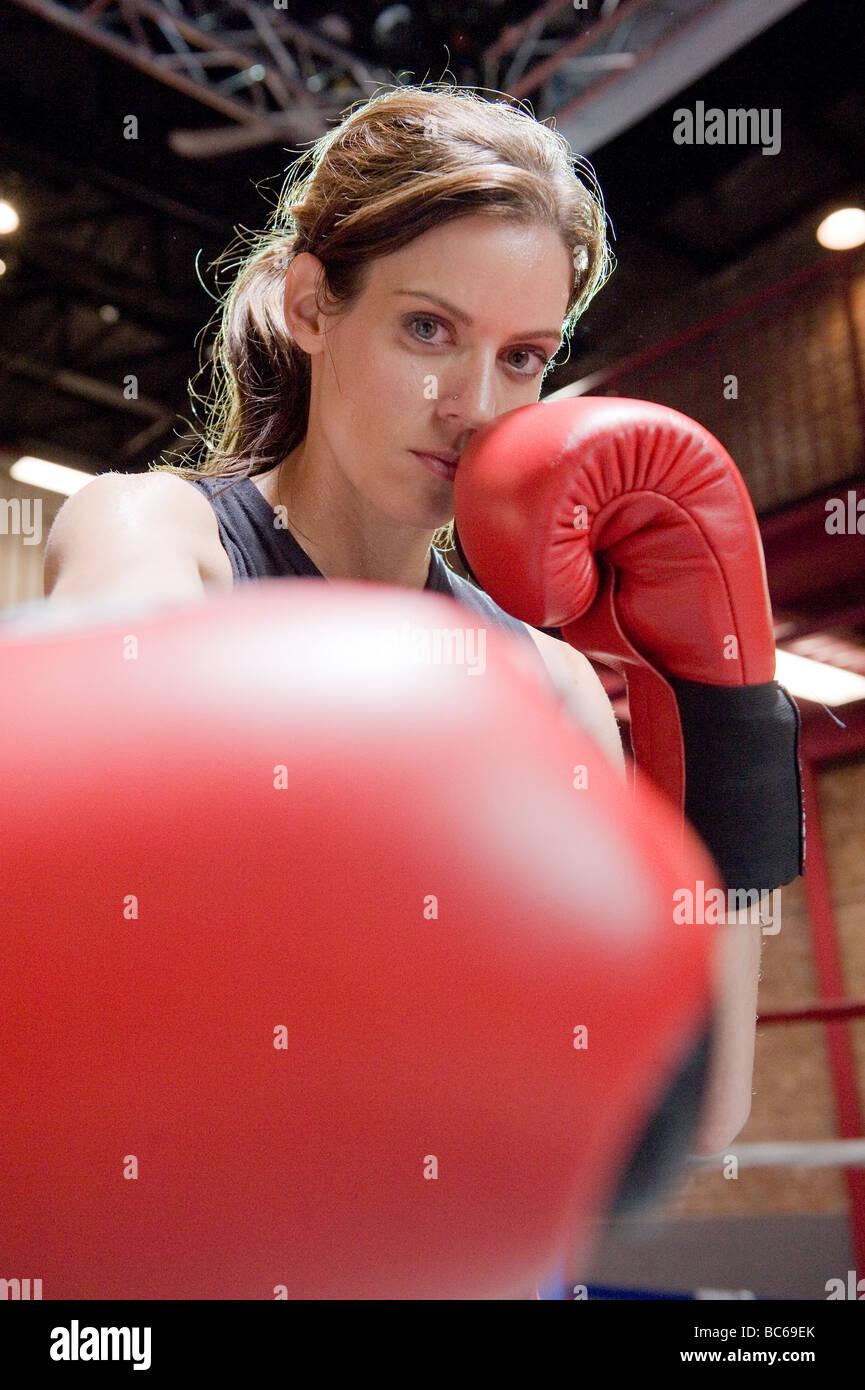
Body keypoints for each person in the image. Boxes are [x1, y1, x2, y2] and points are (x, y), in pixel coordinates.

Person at [43, 82, 759, 1165]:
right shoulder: (155, 537)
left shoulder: (550, 682)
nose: (474, 403)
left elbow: (692, 1115)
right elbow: (106, 922)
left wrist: (725, 711)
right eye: (429, 328)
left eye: (522, 356)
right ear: (312, 304)